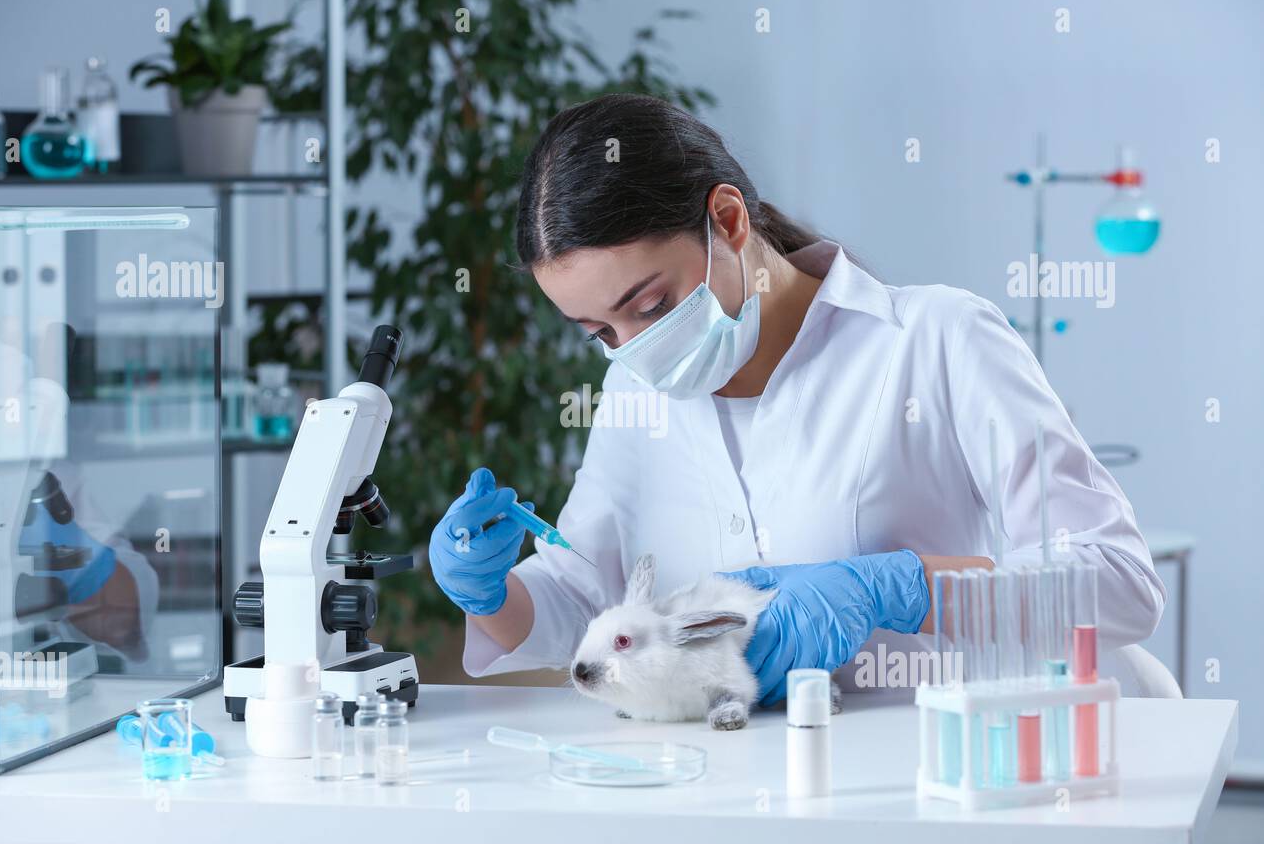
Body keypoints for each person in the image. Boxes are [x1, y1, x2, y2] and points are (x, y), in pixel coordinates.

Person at [429, 93, 1163, 704]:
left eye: (651, 305)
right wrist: (489, 594)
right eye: (601, 332)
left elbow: (1120, 585)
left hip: (928, 791)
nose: (635, 350)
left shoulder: (936, 340)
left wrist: (899, 587)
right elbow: (591, 603)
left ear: (727, 220)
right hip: (726, 792)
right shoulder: (636, 387)